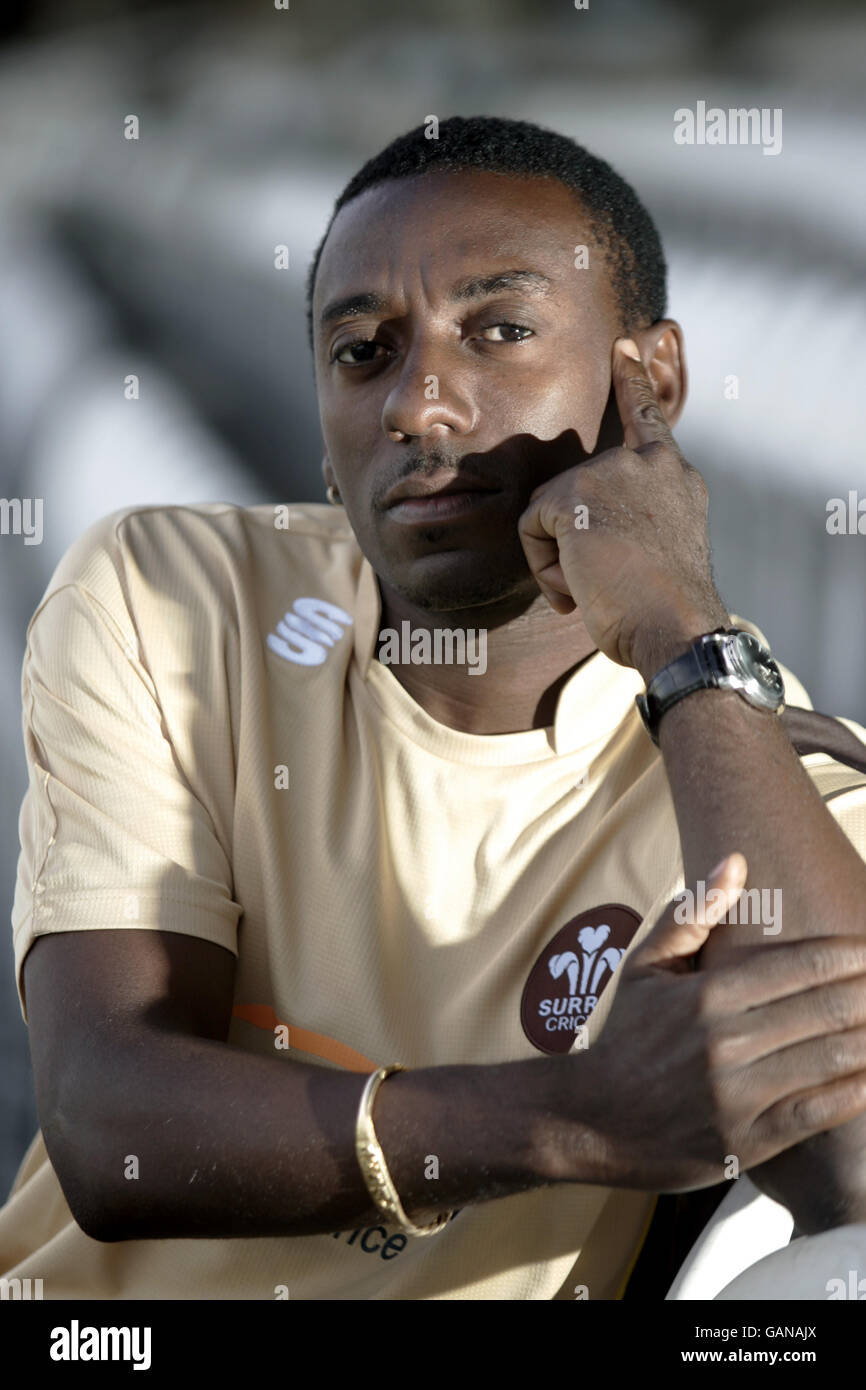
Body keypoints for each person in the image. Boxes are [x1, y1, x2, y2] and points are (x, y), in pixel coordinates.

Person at [3, 115, 866, 1302]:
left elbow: (853, 1165)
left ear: (647, 381)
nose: (418, 405)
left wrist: (682, 636)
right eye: (361, 353)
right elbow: (112, 1122)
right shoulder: (172, 595)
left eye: (499, 331)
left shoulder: (745, 755)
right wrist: (572, 1119)